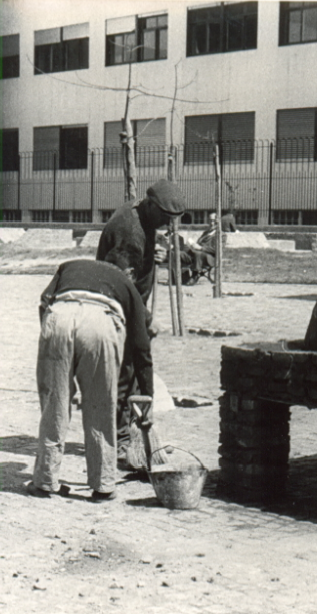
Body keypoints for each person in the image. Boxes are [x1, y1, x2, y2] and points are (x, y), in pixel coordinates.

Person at [31, 246, 154, 502]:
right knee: (100, 405)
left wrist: (52, 338)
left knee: (54, 403)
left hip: (59, 316)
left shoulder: (70, 265)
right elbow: (142, 348)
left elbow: (44, 302)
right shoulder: (126, 283)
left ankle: (44, 481)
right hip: (100, 322)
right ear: (129, 271)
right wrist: (148, 394)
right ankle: (103, 485)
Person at [95, 179, 184, 459]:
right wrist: (145, 320)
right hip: (120, 309)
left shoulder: (140, 213)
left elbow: (136, 262)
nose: (169, 225)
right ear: (151, 205)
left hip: (131, 307)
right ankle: (121, 441)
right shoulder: (128, 229)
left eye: (173, 220)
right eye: (165, 218)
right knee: (124, 374)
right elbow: (121, 284)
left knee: (132, 373)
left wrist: (154, 255)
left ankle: (136, 434)